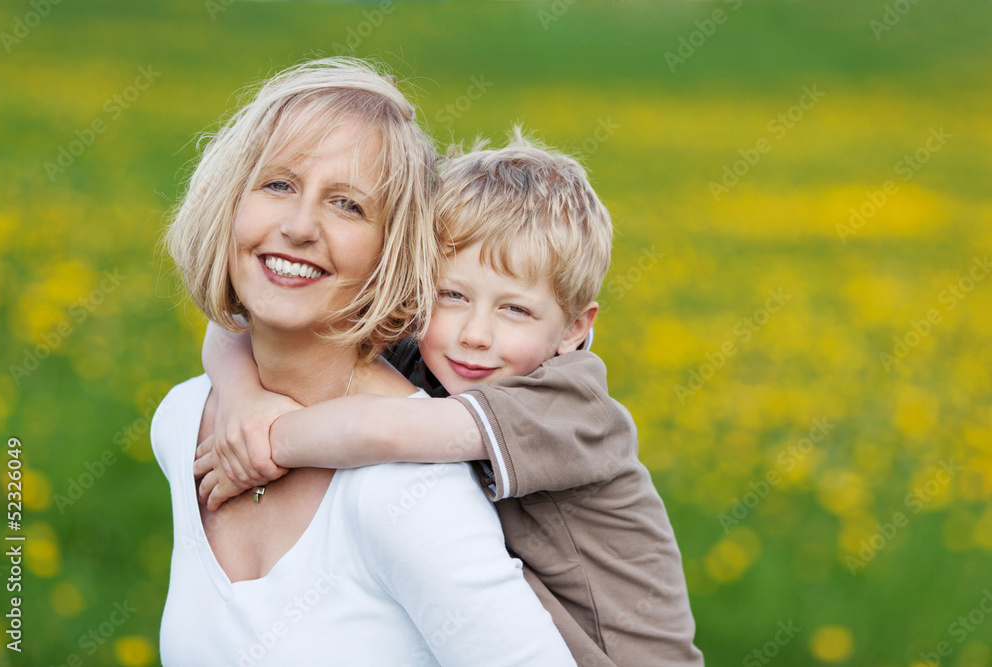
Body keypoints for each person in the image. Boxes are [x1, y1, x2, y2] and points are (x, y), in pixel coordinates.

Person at [197, 132, 705, 666]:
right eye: (452, 295)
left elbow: (385, 430)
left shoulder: (568, 406)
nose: (475, 334)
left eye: (515, 310)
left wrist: (262, 444)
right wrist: (241, 399)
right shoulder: (434, 352)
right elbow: (236, 326)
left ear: (574, 329)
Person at [152, 59, 576, 666]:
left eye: (348, 205)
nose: (300, 226)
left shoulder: (408, 489)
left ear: (394, 252)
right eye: (278, 185)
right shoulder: (184, 420)